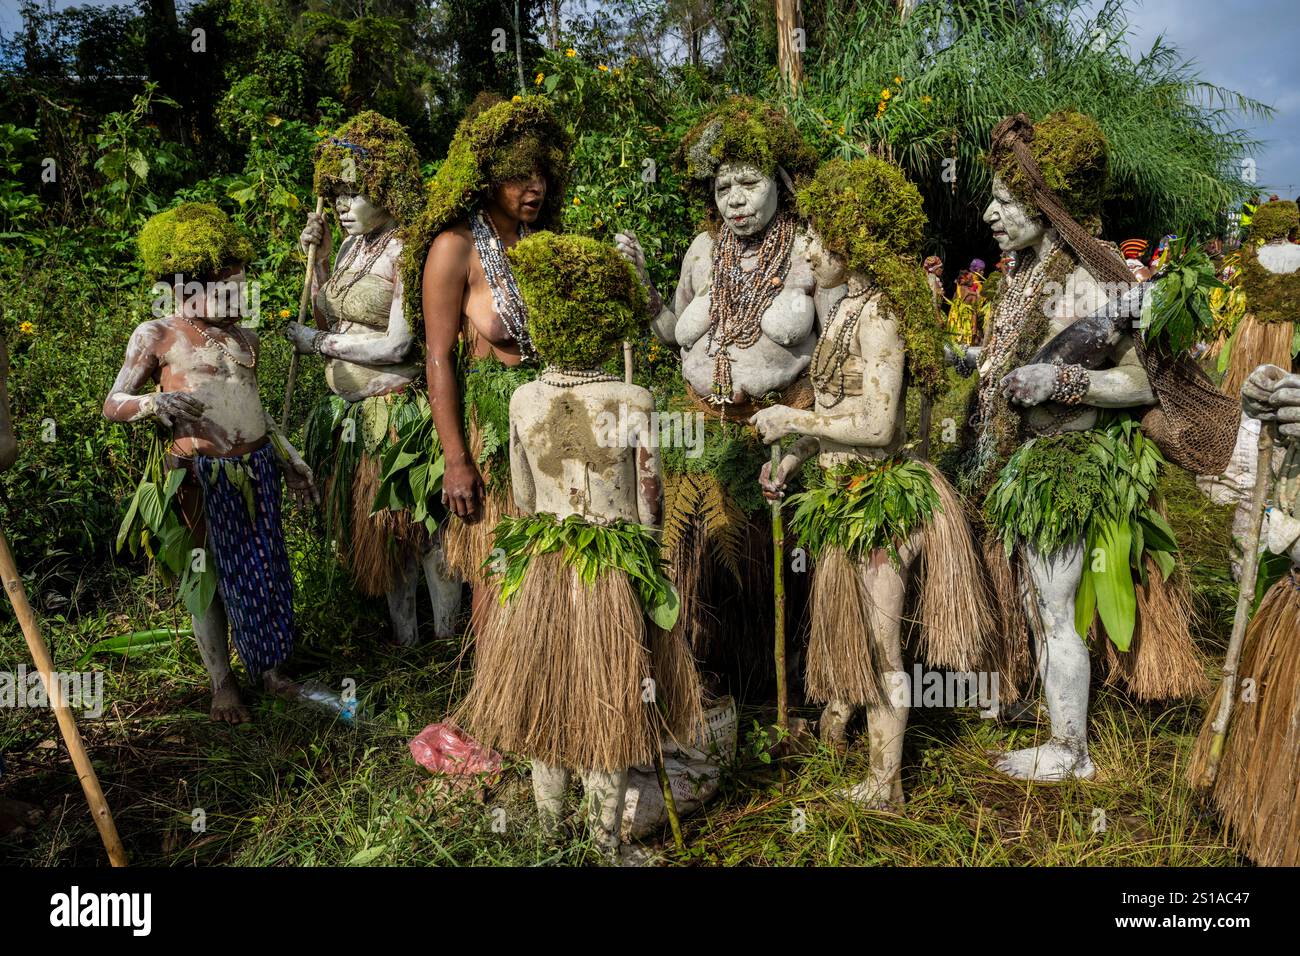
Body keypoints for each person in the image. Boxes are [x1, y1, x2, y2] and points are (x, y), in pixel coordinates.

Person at [958, 112, 1212, 781]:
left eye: (1006, 203)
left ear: (1047, 206)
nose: (990, 213)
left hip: (1066, 467)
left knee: (1055, 607)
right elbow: (1007, 355)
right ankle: (1053, 729)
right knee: (1035, 605)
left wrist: (1062, 378)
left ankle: (1072, 753)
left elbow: (1137, 383)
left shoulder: (1089, 280)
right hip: (1021, 465)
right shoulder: (1019, 275)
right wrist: (973, 362)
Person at [751, 158, 994, 805]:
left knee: (885, 644)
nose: (804, 247)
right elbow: (835, 415)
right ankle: (841, 725)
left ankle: (886, 784)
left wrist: (790, 415)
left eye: (814, 235)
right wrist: (793, 458)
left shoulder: (881, 314)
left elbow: (880, 425)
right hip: (846, 498)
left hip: (886, 501)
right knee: (858, 630)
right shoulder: (845, 308)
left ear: (852, 236)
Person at [454, 232, 702, 856]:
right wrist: (649, 575)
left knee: (547, 702)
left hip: (543, 567)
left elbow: (523, 500)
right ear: (604, 325)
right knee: (608, 710)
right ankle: (604, 846)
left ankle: (547, 836)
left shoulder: (523, 399)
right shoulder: (631, 399)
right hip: (610, 575)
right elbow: (651, 506)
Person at [105, 203, 315, 722]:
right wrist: (154, 405)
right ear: (184, 289)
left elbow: (255, 412)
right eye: (228, 288)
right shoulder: (158, 334)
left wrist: (289, 459)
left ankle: (268, 668)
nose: (241, 298)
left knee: (265, 570)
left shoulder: (246, 339)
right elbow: (113, 405)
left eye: (242, 286)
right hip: (200, 476)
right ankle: (223, 683)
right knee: (209, 575)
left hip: (257, 472)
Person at [287, 111, 459, 645]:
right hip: (351, 419)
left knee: (423, 532)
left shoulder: (409, 248)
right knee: (380, 534)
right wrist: (313, 263)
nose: (343, 205)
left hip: (398, 416)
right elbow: (326, 314)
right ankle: (407, 646)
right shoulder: (344, 247)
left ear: (385, 191)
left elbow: (398, 344)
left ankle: (449, 642)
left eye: (354, 192)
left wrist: (320, 345)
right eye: (335, 193)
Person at [403, 94, 572, 627]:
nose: (534, 187)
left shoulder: (540, 242)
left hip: (546, 417)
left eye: (541, 174)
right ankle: (498, 671)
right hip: (490, 426)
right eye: (519, 176)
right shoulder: (455, 247)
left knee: (550, 553)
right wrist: (457, 458)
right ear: (488, 177)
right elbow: (436, 358)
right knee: (497, 561)